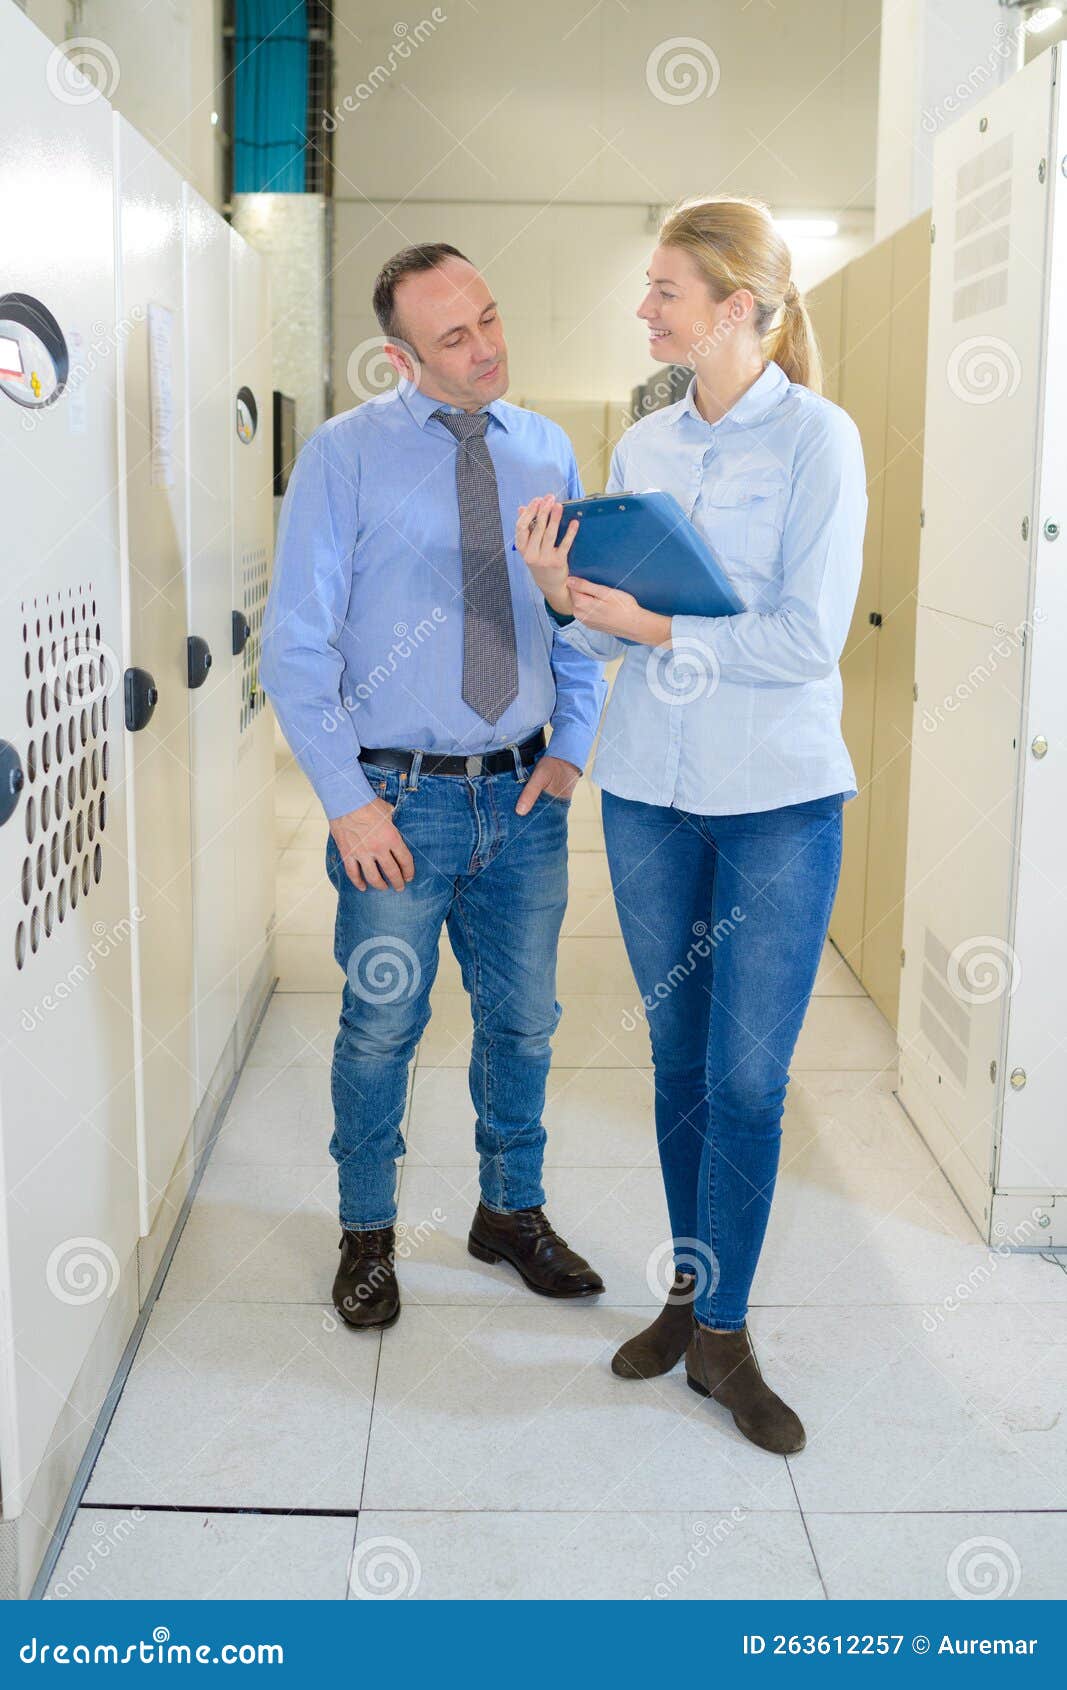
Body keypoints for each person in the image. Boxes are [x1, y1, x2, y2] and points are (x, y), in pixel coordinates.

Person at [515, 196, 867, 1455]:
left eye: (662, 289)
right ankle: (687, 1295)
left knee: (745, 1078)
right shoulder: (650, 445)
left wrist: (657, 627)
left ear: (734, 308)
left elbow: (803, 639)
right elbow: (608, 626)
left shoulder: (820, 441)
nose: (643, 307)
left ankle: (724, 1332)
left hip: (774, 802)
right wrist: (566, 599)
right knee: (673, 1066)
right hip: (652, 790)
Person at [260, 243, 608, 1331]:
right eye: (453, 338)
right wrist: (343, 799)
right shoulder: (343, 457)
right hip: (395, 803)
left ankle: (508, 1212)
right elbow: (295, 645)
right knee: (379, 1027)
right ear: (399, 358)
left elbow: (582, 613)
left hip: (519, 798)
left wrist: (569, 749)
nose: (486, 347)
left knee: (524, 1023)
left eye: (491, 319)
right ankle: (366, 1234)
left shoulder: (546, 448)